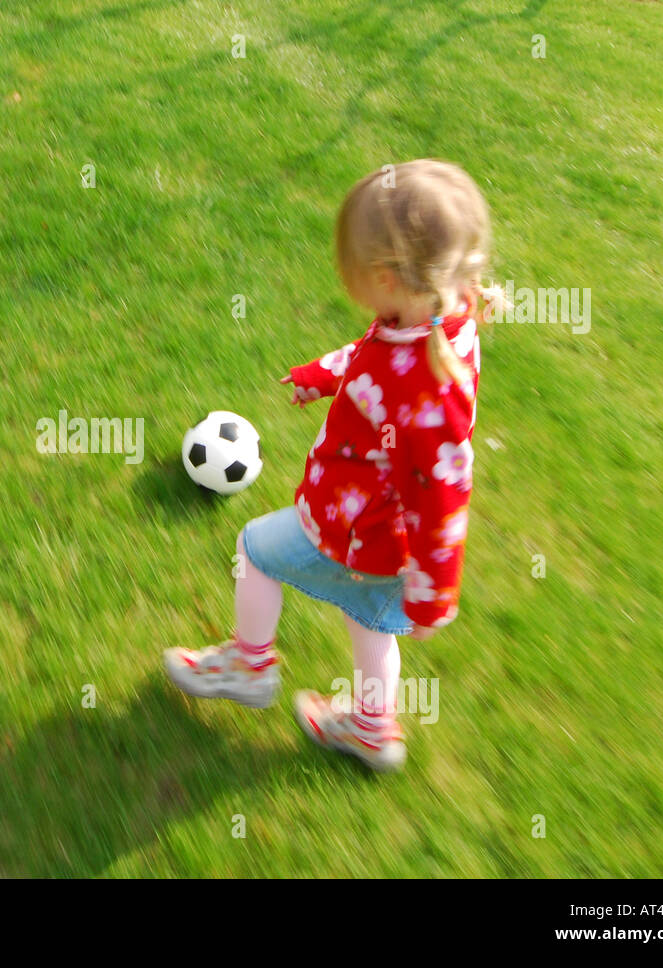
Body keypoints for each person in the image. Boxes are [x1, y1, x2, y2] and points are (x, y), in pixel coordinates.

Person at [164, 159, 496, 773]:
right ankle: (373, 728)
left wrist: (433, 594)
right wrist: (325, 374)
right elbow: (376, 352)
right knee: (370, 622)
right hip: (381, 542)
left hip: (351, 530)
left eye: (352, 275)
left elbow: (442, 495)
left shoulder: (425, 391)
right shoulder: (436, 321)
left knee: (255, 550)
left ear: (387, 277)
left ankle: (249, 666)